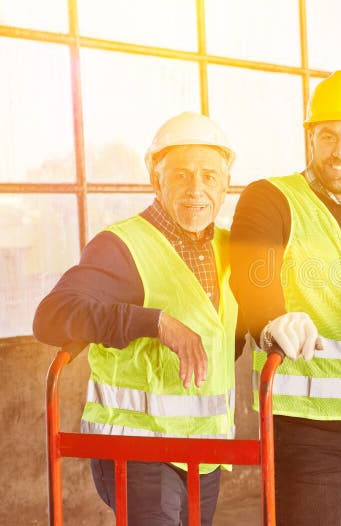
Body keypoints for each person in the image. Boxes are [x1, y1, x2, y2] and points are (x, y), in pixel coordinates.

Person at [32, 111, 237, 526]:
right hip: (137, 449)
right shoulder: (121, 246)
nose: (196, 190)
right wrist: (154, 322)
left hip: (204, 449)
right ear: (155, 178)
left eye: (209, 177)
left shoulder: (231, 248)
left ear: (226, 184)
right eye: (181, 175)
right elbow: (50, 317)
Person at [229, 70, 341, 526]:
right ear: (310, 138)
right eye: (327, 135)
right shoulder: (271, 198)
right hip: (307, 430)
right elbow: (251, 275)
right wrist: (272, 319)